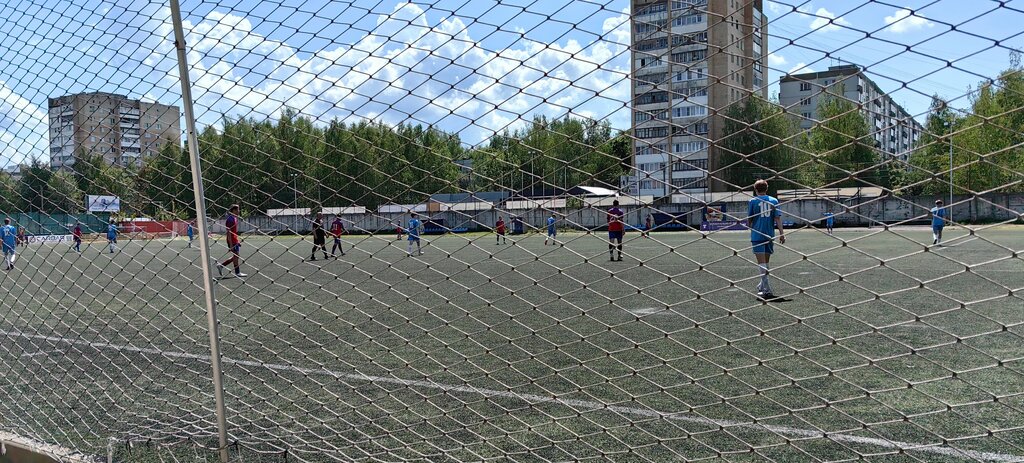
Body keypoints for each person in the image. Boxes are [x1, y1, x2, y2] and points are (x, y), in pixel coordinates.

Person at [748, 179, 785, 301]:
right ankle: (762, 285)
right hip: (769, 235)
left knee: (762, 263)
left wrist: (750, 227)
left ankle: (767, 290)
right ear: (767, 188)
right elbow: (777, 218)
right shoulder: (774, 201)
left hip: (757, 235)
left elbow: (750, 219)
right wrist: (782, 234)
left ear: (755, 189)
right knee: (766, 263)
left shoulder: (752, 201)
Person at [217, 204, 246, 277]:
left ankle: (221, 266)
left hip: (234, 240)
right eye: (237, 209)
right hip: (232, 241)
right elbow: (229, 233)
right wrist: (231, 244)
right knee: (236, 256)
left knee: (236, 256)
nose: (239, 211)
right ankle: (237, 272)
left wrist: (237, 241)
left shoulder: (235, 218)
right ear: (233, 210)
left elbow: (234, 232)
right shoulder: (230, 219)